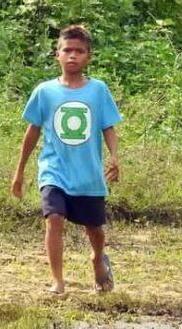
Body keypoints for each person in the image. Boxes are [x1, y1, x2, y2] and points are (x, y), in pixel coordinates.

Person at [11, 25, 121, 294]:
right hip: (54, 170)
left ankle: (97, 258)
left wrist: (115, 157)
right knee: (54, 218)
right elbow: (33, 131)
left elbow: (108, 126)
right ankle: (58, 281)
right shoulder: (44, 91)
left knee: (94, 229)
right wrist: (20, 171)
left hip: (88, 174)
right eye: (67, 50)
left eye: (79, 51)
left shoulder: (98, 90)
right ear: (57, 54)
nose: (72, 56)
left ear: (89, 57)